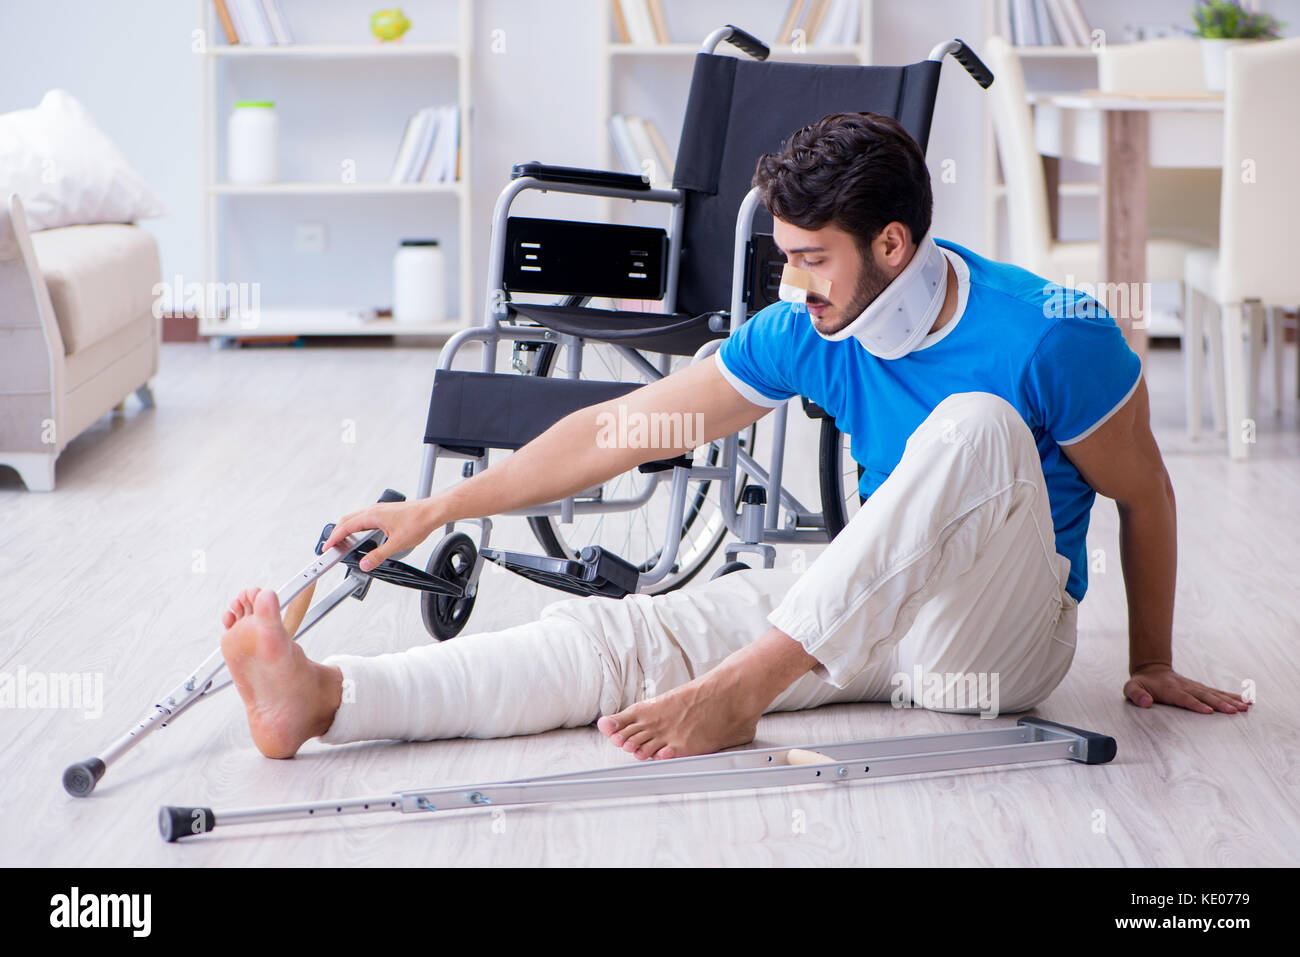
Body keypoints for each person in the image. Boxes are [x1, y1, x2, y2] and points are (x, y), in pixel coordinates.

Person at [219, 112, 1249, 765]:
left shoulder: (1050, 331)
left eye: (812, 260)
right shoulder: (803, 328)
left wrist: (1151, 657)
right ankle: (326, 702)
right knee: (631, 637)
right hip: (860, 599)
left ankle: (741, 694)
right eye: (784, 259)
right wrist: (437, 506)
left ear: (892, 246)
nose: (793, 287)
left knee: (971, 426)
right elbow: (627, 427)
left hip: (985, 644)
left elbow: (1144, 492)